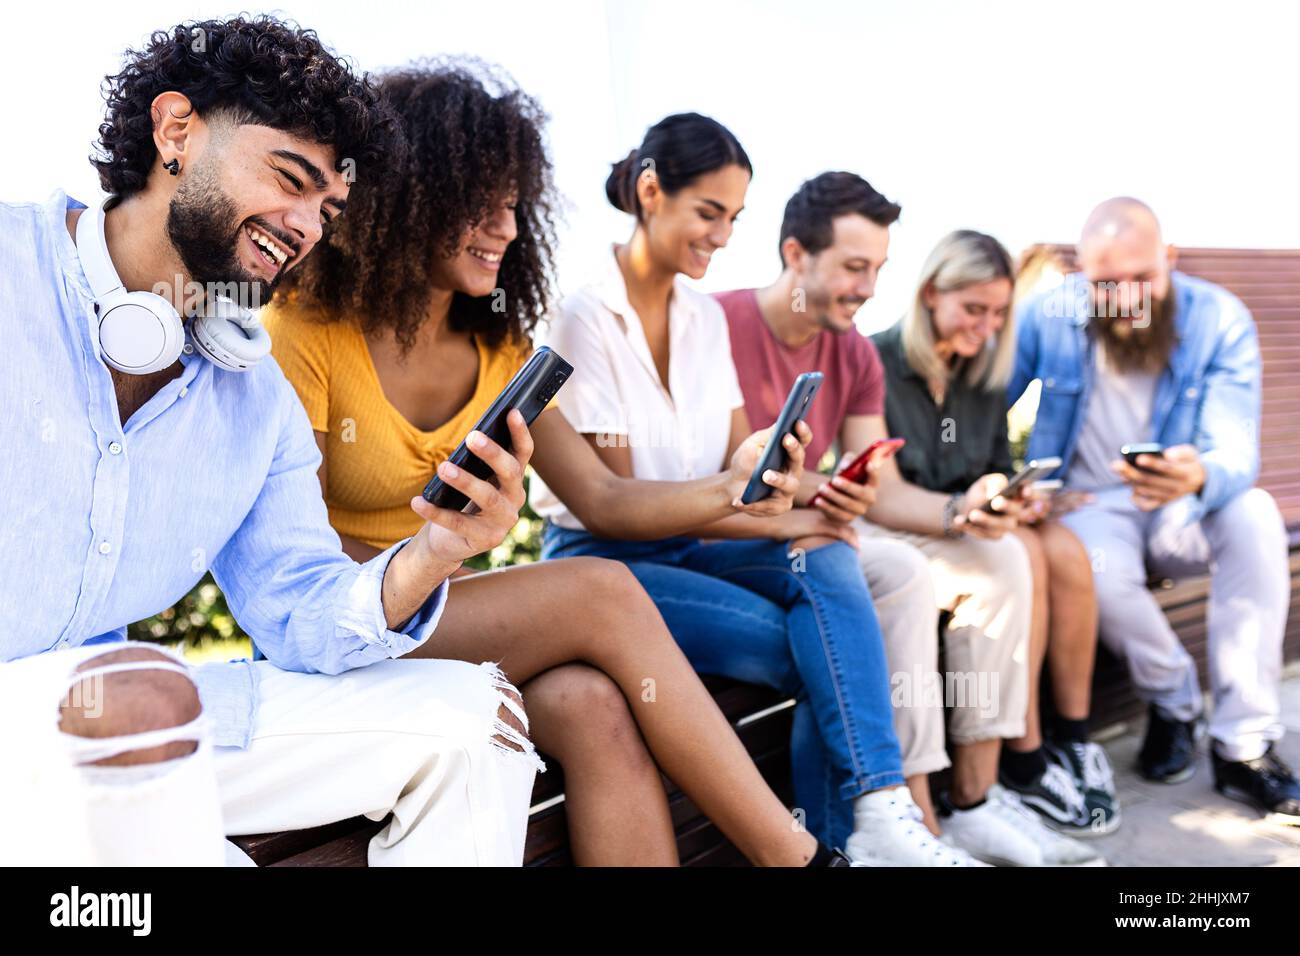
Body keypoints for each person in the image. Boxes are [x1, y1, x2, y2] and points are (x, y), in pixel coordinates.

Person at [265, 61, 854, 867]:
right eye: (481, 200)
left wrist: (734, 485)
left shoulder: (497, 344)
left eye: (515, 203)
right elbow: (289, 558)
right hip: (340, 620)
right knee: (604, 588)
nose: (506, 227)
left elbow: (603, 494)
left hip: (444, 608)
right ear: (410, 193)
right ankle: (804, 861)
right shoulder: (304, 331)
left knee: (594, 707)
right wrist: (428, 564)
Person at [0, 16, 543, 866]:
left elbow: (301, 613)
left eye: (327, 208)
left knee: (475, 723)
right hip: (73, 730)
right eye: (289, 179)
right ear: (175, 130)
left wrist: (433, 552)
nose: (305, 227)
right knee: (131, 708)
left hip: (124, 726)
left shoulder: (255, 399)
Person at [532, 115, 975, 865]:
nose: (724, 235)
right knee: (824, 648)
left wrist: (800, 490)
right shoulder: (585, 319)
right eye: (709, 212)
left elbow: (744, 463)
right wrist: (776, 518)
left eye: (734, 218)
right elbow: (623, 505)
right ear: (650, 192)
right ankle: (856, 837)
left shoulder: (704, 319)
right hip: (609, 563)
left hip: (698, 547)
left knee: (829, 557)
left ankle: (880, 810)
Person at [718, 175, 1106, 865]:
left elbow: (885, 487)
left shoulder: (854, 351)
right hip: (761, 538)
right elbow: (734, 476)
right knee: (902, 576)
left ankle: (979, 799)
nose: (868, 287)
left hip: (830, 527)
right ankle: (919, 819)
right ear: (795, 254)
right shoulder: (721, 325)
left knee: (1010, 556)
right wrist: (834, 492)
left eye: (877, 270)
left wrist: (965, 509)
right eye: (854, 267)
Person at [1010, 197, 1299, 822]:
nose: (1127, 297)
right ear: (1082, 273)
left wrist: (1197, 472)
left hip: (1182, 506)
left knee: (1254, 515)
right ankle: (1175, 701)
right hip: (1089, 508)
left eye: (1143, 277)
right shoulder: (1049, 314)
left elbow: (1235, 453)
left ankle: (1243, 748)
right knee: (1086, 563)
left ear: (1170, 259)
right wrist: (1012, 482)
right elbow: (976, 399)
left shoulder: (1218, 318)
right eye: (1107, 283)